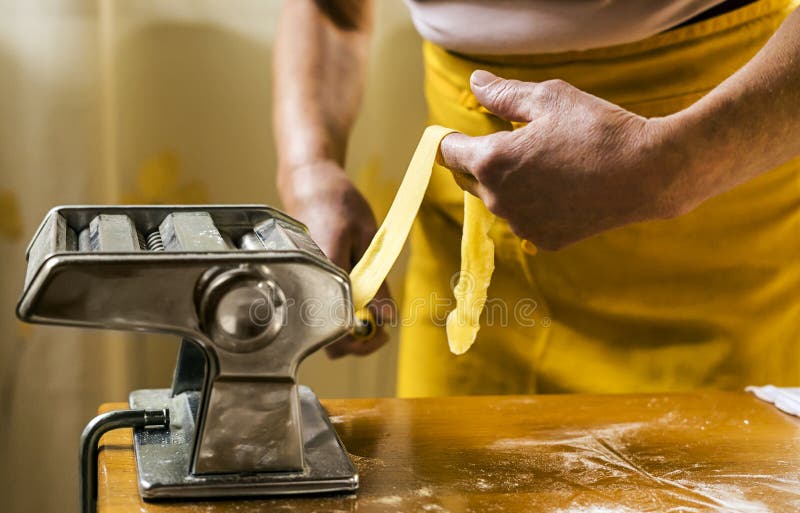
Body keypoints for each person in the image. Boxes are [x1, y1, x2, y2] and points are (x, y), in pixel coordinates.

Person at [273, 0, 800, 397]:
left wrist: (673, 166)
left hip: (720, 232)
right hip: (469, 283)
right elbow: (332, 9)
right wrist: (308, 168)